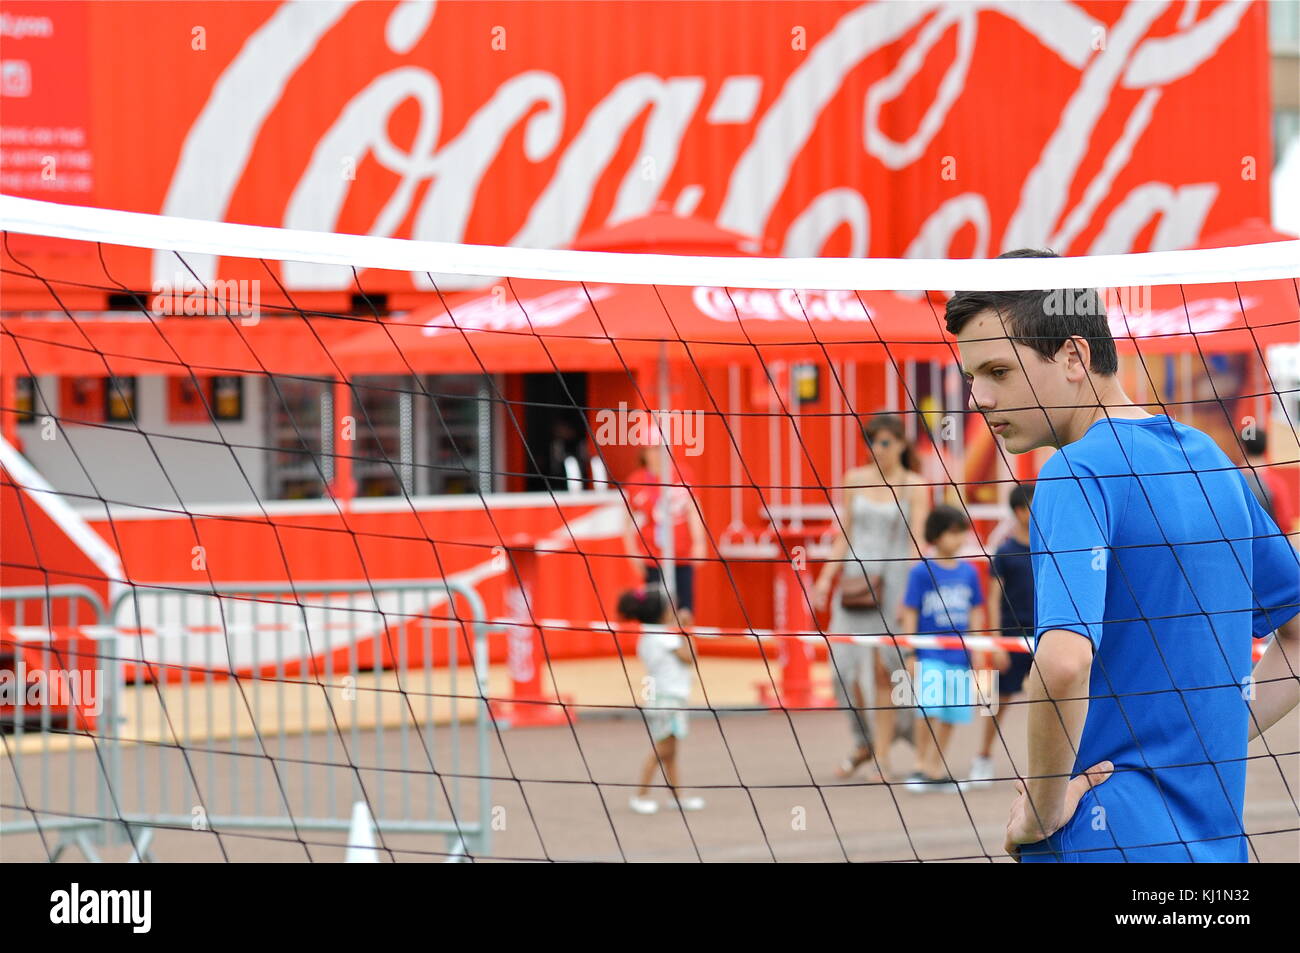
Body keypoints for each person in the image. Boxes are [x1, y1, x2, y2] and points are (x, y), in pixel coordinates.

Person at [948, 249, 1300, 862]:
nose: (978, 396)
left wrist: (1043, 802)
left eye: (999, 371)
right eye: (972, 375)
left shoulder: (1073, 473)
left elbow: (1061, 665)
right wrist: (1205, 738)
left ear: (1075, 356)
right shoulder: (1212, 462)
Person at [812, 413, 930, 780]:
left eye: (886, 442)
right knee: (841, 669)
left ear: (901, 444)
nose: (879, 450)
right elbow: (844, 533)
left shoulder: (915, 484)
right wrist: (825, 579)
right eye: (873, 442)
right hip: (854, 584)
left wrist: (908, 595)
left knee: (892, 670)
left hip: (894, 584)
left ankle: (899, 739)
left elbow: (916, 542)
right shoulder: (854, 479)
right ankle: (864, 741)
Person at [898, 505, 986, 793]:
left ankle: (937, 766)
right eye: (952, 532)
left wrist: (977, 649)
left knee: (953, 713)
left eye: (962, 532)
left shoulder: (970, 572)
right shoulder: (921, 572)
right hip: (930, 654)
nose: (959, 539)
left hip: (959, 655)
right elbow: (910, 612)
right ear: (936, 535)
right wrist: (910, 652)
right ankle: (921, 765)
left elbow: (976, 611)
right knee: (929, 709)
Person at [967, 482, 1037, 790]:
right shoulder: (1005, 551)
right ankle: (982, 757)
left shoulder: (1051, 545)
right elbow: (993, 599)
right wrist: (995, 642)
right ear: (1021, 512)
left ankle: (1047, 766)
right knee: (997, 700)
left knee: (1052, 698)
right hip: (1010, 635)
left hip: (1044, 634)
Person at [618, 587, 704, 815]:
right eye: (669, 608)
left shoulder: (649, 637)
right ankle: (640, 795)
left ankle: (677, 796)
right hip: (669, 700)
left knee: (670, 752)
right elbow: (689, 658)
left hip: (662, 697)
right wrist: (688, 630)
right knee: (662, 750)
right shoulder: (663, 638)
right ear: (661, 613)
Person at [622, 440, 707, 627]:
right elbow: (627, 523)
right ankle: (659, 648)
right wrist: (633, 553)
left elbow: (694, 510)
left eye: (659, 448)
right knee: (656, 609)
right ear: (643, 452)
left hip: (681, 554)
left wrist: (700, 543)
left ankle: (684, 651)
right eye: (651, 449)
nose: (655, 453)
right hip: (653, 556)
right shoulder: (636, 482)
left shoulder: (682, 474)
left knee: (685, 609)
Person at [1241, 430, 1296, 540]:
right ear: (1266, 446)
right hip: (1269, 544)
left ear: (1242, 447)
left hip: (1240, 546)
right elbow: (1285, 523)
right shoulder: (1275, 482)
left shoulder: (1234, 479)